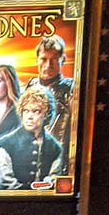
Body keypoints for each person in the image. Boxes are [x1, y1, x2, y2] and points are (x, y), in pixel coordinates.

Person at [0, 86, 62, 190]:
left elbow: (54, 178)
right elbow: (5, 182)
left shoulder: (54, 147)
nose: (29, 116)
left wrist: (43, 187)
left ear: (46, 115)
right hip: (12, 202)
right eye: (26, 111)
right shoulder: (7, 144)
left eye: (36, 111)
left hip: (45, 202)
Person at [24, 34, 73, 172]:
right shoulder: (28, 88)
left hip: (57, 161)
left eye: (53, 59)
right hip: (28, 162)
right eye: (43, 59)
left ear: (63, 60)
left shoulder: (71, 89)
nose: (48, 65)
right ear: (37, 60)